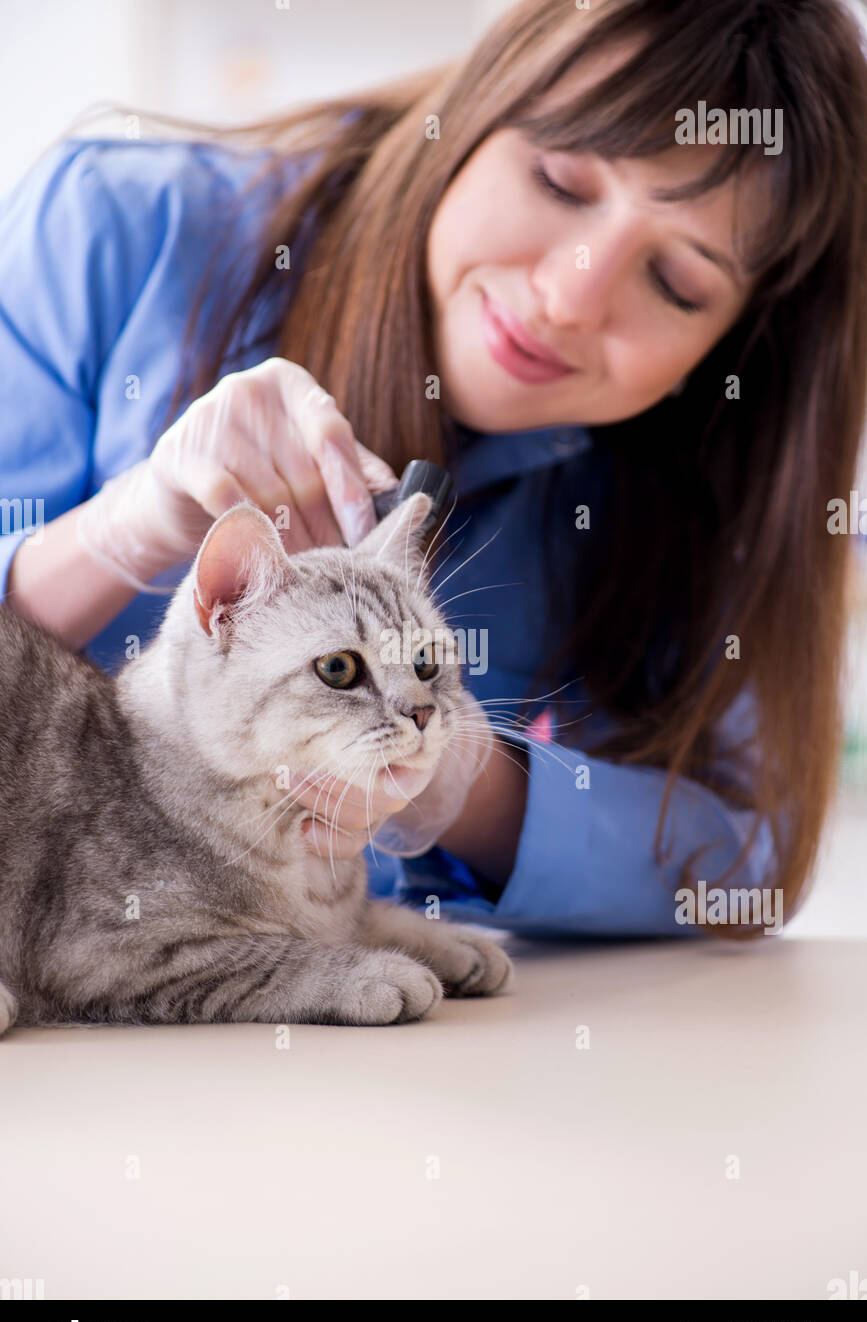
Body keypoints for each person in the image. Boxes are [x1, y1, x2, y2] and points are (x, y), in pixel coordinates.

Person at [1, 0, 865, 940]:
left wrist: (455, 782)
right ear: (474, 114)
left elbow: (744, 858)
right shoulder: (122, 227)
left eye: (677, 283)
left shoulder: (690, 467)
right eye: (561, 182)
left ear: (735, 346)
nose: (569, 297)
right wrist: (118, 536)